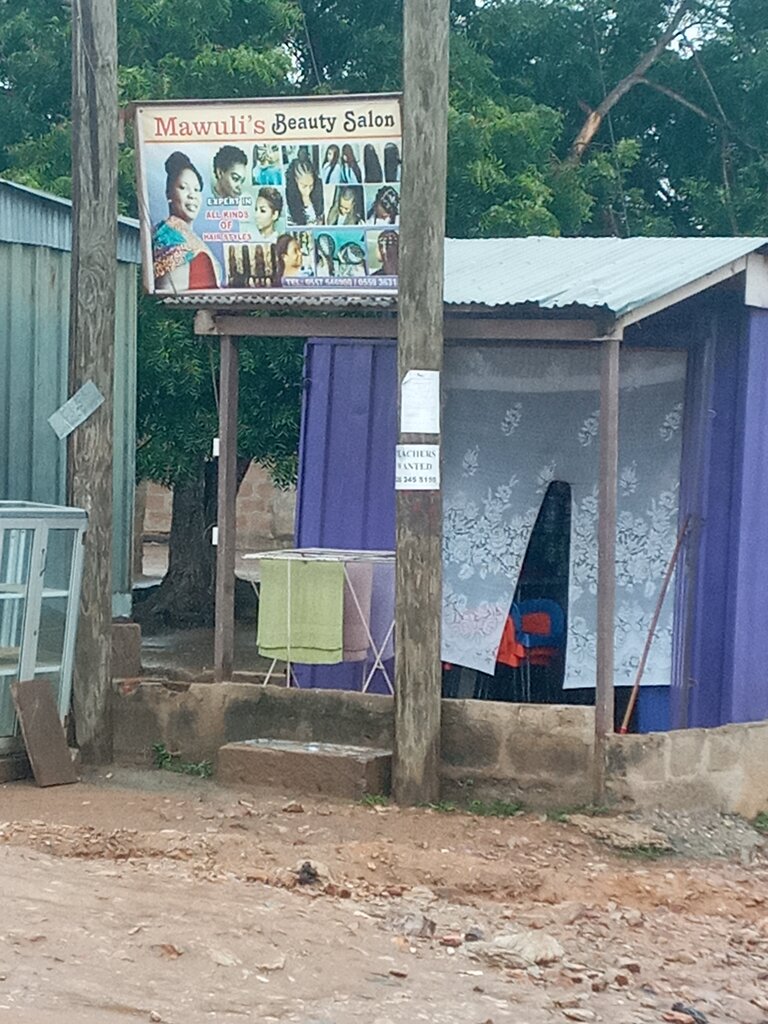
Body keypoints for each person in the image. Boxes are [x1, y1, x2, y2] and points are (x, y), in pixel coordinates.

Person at [152, 151, 220, 292]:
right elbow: (170, 293)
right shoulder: (168, 236)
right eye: (183, 188)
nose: (192, 195)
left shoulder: (191, 236)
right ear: (168, 193)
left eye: (196, 190)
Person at [285, 157, 324, 225]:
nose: (308, 191)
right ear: (295, 182)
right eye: (304, 186)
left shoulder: (319, 192)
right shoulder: (287, 201)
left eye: (311, 186)